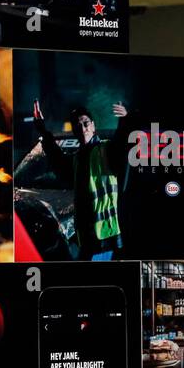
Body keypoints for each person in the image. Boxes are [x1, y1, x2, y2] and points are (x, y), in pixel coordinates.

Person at [32, 99, 129, 260]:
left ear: (93, 126)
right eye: (77, 125)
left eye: (85, 123)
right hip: (85, 238)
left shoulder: (107, 150)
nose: (82, 128)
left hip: (105, 238)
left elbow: (122, 142)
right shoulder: (77, 159)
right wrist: (42, 129)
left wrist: (125, 119)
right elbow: (57, 159)